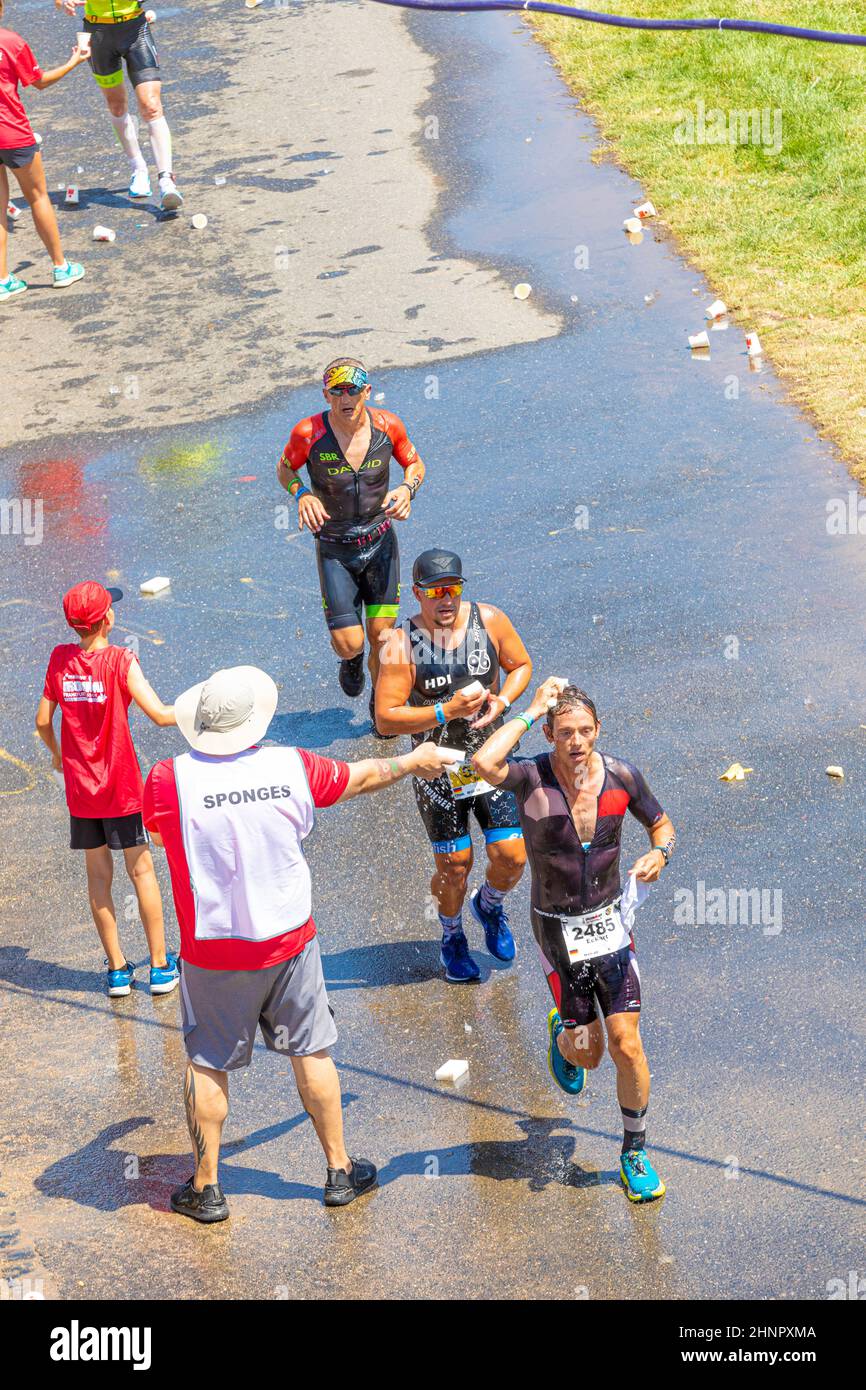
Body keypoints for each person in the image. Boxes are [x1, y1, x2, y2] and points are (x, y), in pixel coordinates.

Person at [142, 664, 458, 1222]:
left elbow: (158, 832)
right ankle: (338, 1171)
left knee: (207, 1062)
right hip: (290, 940)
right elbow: (359, 777)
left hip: (214, 950)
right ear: (254, 724)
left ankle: (208, 1186)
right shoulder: (292, 766)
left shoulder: (169, 780)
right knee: (311, 1050)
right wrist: (412, 760)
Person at [472, 681, 676, 1203]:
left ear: (598, 731)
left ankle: (634, 1151)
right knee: (587, 1057)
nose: (577, 741)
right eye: (565, 732)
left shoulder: (622, 775)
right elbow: (483, 764)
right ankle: (562, 1033)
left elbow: (661, 824)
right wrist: (531, 706)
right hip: (556, 932)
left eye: (586, 731)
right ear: (549, 734)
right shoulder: (530, 777)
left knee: (627, 1044)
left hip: (610, 926)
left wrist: (661, 853)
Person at [375, 548, 532, 982]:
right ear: (416, 594)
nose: (446, 600)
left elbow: (520, 665)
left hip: (490, 759)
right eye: (436, 592)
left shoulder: (491, 620)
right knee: (454, 865)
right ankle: (452, 935)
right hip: (438, 770)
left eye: (454, 590)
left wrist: (504, 699)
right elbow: (385, 716)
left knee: (512, 856)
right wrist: (444, 711)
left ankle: (490, 907)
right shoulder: (399, 643)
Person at [35, 582, 180, 997]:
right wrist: (204, 707)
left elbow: (43, 721)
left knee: (99, 878)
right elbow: (161, 715)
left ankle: (118, 970)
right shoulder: (120, 660)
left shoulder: (60, 660)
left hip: (83, 793)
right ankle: (159, 966)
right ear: (108, 619)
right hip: (122, 789)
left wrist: (58, 755)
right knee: (142, 872)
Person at [277, 358, 425, 734]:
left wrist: (407, 490)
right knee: (350, 643)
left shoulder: (387, 426)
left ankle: (382, 702)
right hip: (334, 547)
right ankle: (352, 660)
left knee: (383, 637)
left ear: (366, 392)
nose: (346, 398)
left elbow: (415, 464)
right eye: (337, 391)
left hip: (379, 542)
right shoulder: (307, 433)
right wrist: (302, 495)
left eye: (353, 390)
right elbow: (285, 469)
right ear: (326, 394)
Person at [56, 0, 182, 210]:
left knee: (151, 106)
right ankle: (138, 169)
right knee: (116, 105)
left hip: (135, 29)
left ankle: (166, 180)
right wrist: (64, 2)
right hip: (98, 34)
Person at [0, 2, 86, 300]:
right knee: (37, 196)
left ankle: (2, 281)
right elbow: (39, 82)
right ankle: (61, 268)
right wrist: (74, 61)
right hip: (13, 133)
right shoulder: (10, 41)